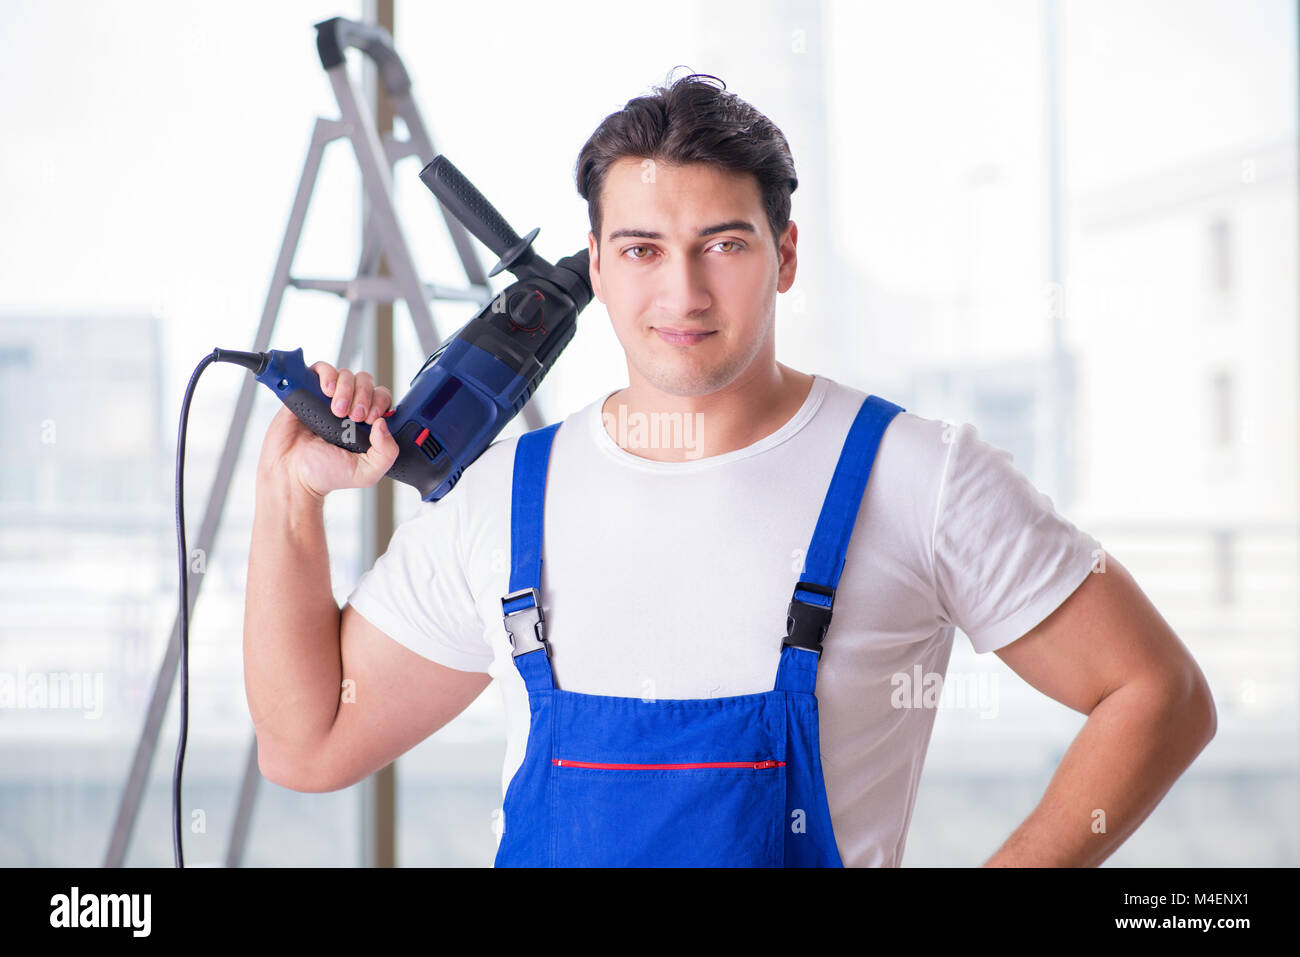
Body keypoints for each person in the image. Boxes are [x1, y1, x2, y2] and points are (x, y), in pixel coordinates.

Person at [244, 72, 1216, 867]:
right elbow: (308, 744)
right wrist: (290, 496)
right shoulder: (505, 500)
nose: (683, 290)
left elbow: (1157, 694)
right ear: (594, 264)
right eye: (641, 249)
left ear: (784, 255)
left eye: (724, 245)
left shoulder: (919, 478)